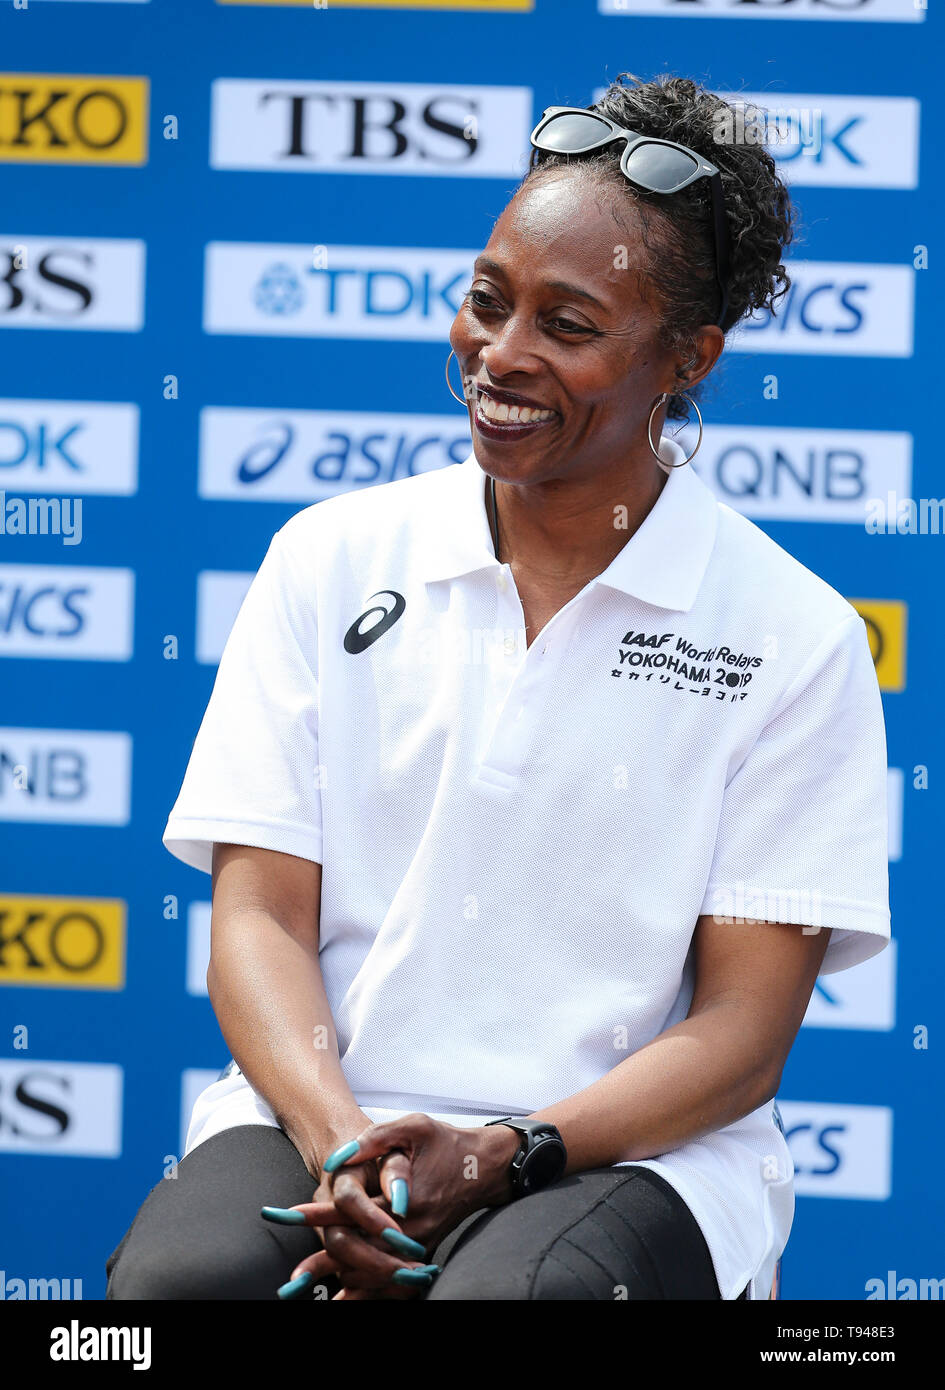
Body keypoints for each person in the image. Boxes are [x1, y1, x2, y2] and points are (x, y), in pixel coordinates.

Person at [105, 72, 890, 1302]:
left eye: (568, 326)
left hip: (628, 1155)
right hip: (328, 1113)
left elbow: (742, 1041)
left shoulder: (795, 635)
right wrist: (346, 1149)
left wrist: (511, 1151)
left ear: (688, 357)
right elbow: (257, 920)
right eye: (487, 300)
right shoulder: (330, 557)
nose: (501, 353)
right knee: (177, 1293)